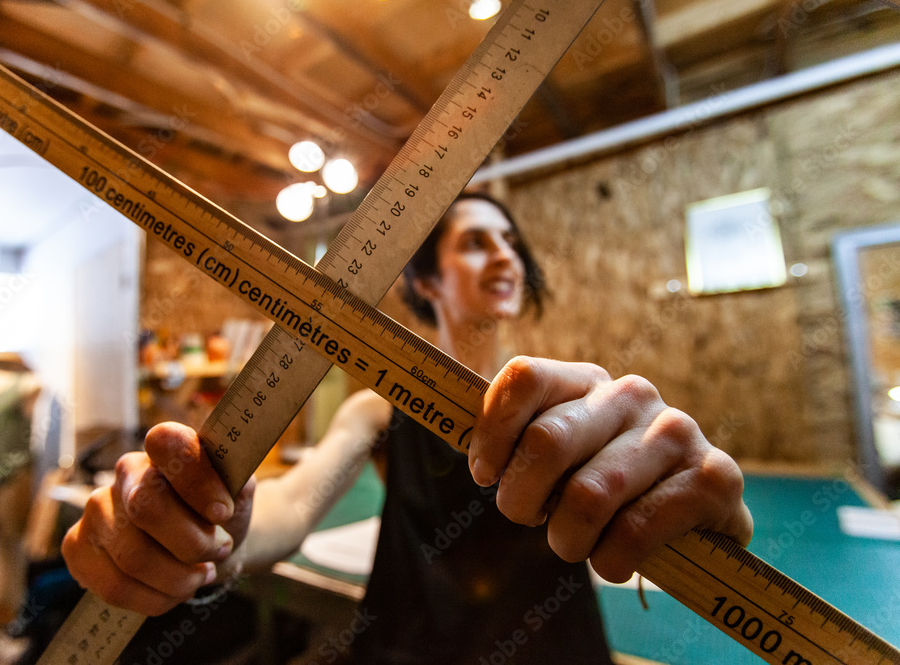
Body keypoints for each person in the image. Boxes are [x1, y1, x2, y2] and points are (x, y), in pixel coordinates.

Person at [62, 192, 754, 663]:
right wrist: (218, 530)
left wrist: (683, 497)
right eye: (476, 243)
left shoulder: (570, 410)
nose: (505, 256)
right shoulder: (380, 409)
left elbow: (652, 494)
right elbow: (291, 503)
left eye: (511, 241)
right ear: (426, 281)